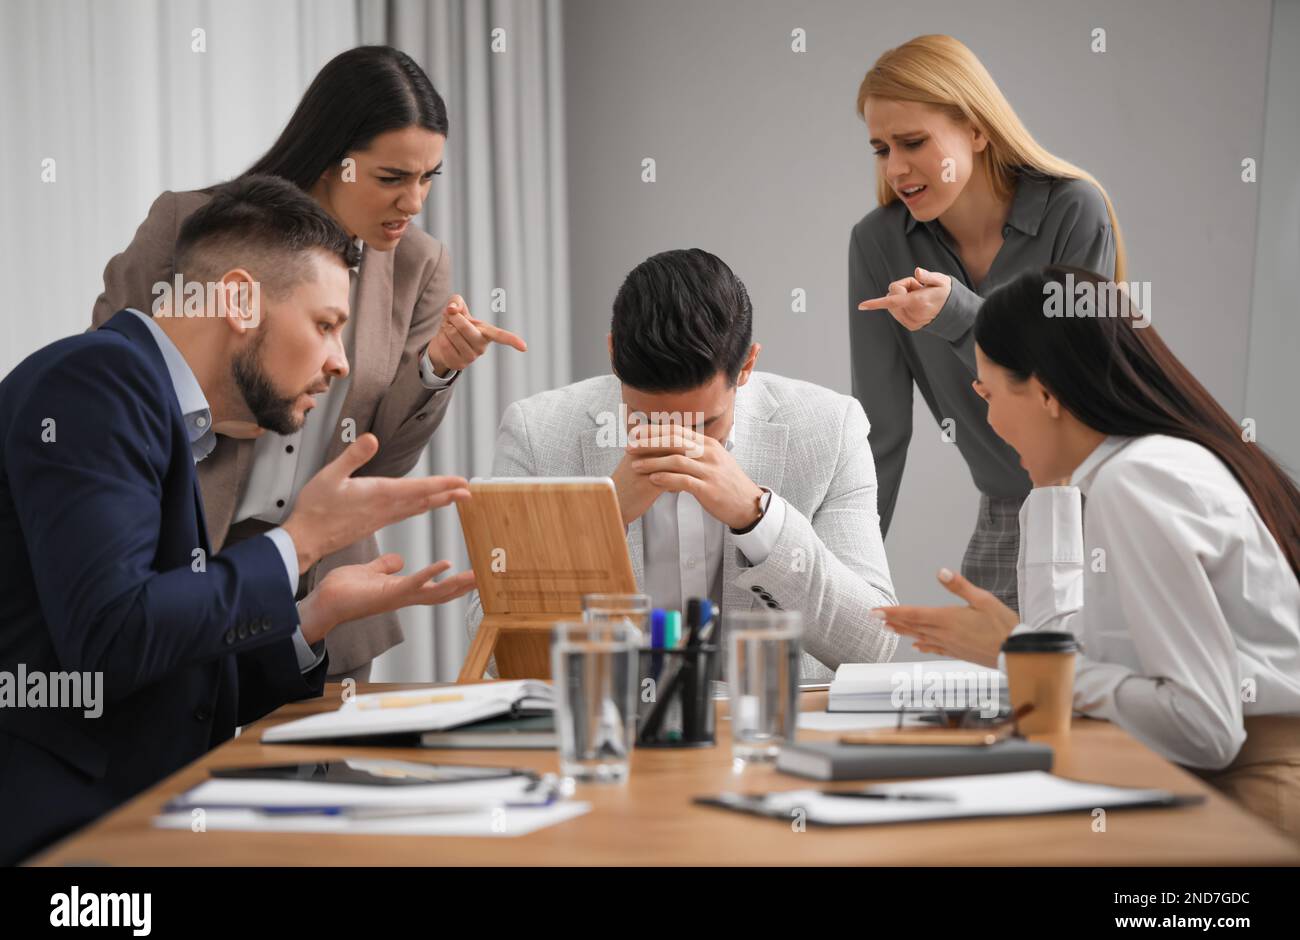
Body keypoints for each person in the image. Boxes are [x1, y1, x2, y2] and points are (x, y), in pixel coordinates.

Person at [0, 176, 476, 864]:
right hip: (72, 844)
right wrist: (301, 540)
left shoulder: (156, 404)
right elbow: (113, 640)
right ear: (239, 301)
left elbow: (168, 668)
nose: (339, 363)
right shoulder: (96, 383)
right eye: (325, 325)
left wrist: (312, 618)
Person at [92, 45, 525, 681]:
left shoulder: (418, 264)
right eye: (392, 178)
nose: (414, 202)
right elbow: (108, 381)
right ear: (332, 157)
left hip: (324, 583)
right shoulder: (192, 225)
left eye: (428, 178)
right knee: (184, 762)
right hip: (186, 563)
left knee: (319, 775)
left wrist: (435, 367)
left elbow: (377, 463)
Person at [877, 265, 1300, 837]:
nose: (991, 419)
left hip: (1260, 794)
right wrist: (1026, 646)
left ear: (1046, 394)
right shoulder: (1138, 469)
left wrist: (1020, 655)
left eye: (990, 393)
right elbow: (1098, 649)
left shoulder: (1137, 481)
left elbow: (1204, 727)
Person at [467, 249, 897, 680]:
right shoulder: (537, 432)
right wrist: (601, 519)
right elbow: (493, 650)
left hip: (768, 732)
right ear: (614, 354)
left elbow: (872, 645)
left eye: (704, 423)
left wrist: (758, 517)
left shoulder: (828, 428)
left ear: (746, 364)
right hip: (609, 729)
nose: (677, 440)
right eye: (647, 419)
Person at [850, 34, 1126, 612]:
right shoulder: (877, 244)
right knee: (979, 699)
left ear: (976, 129)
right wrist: (842, 578)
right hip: (1005, 514)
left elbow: (1066, 387)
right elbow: (879, 432)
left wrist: (955, 313)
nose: (897, 168)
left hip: (1101, 509)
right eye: (881, 149)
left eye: (913, 142)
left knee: (1096, 698)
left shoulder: (1074, 210)